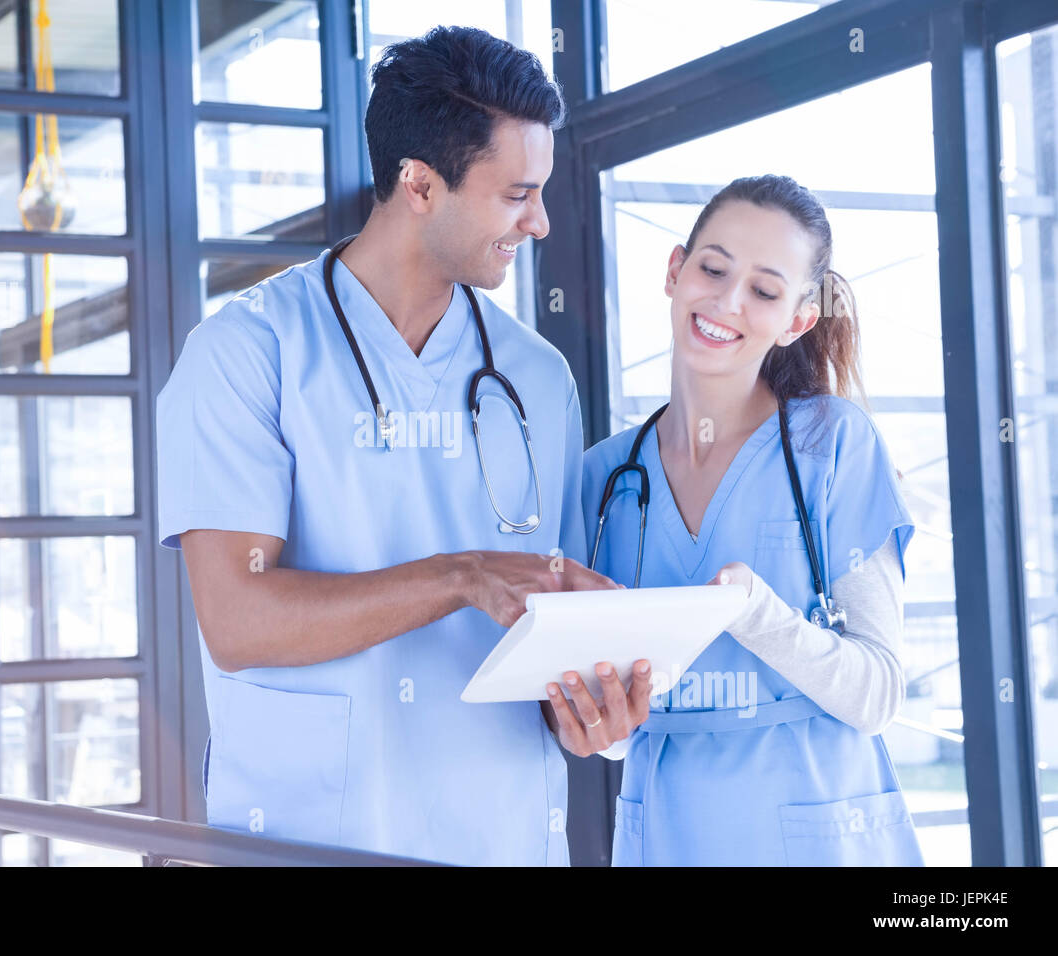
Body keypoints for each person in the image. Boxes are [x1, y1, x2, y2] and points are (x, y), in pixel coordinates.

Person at [156, 25, 649, 867]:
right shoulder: (247, 352)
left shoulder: (535, 375)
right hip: (315, 834)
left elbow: (543, 620)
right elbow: (237, 620)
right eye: (516, 194)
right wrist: (458, 576)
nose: (540, 222)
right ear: (419, 184)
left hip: (500, 835)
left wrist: (589, 713)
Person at [552, 174, 924, 865]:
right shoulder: (606, 478)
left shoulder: (833, 446)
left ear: (798, 320)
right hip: (667, 833)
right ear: (674, 270)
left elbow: (876, 695)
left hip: (819, 834)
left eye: (764, 290)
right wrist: (599, 728)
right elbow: (614, 724)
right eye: (713, 268)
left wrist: (756, 615)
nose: (726, 302)